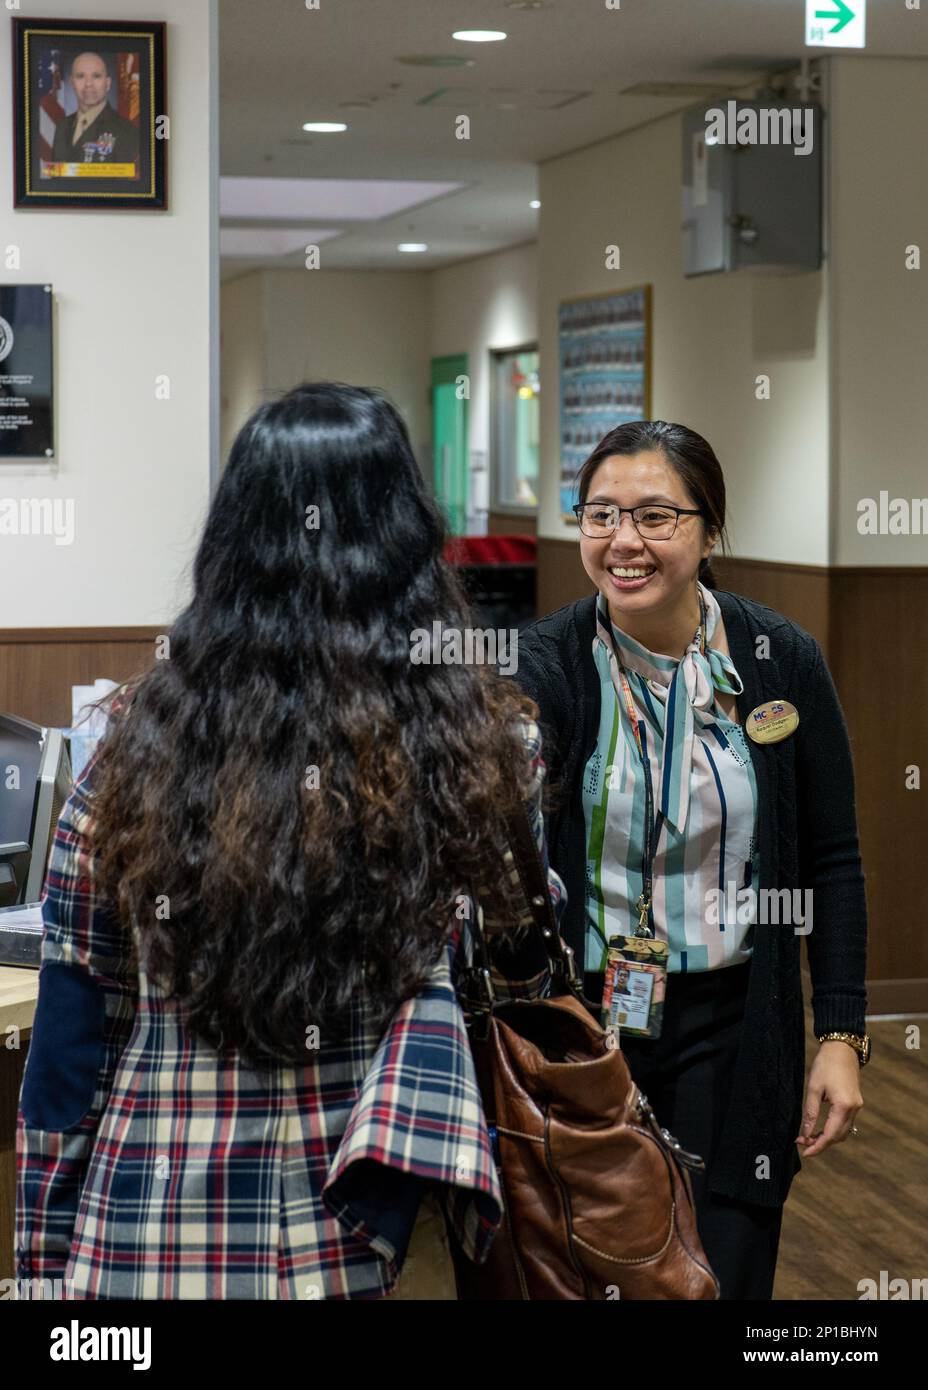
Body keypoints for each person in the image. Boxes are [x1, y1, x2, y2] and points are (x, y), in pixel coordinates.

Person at [15, 382, 564, 1300]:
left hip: (146, 1231)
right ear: (408, 540)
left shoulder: (133, 745)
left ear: (232, 540)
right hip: (368, 1229)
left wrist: (40, 1256)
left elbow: (75, 1025)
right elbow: (502, 968)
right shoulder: (486, 750)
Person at [506, 419, 869, 1301]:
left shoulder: (781, 661)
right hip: (583, 1028)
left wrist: (842, 1035)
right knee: (591, 1268)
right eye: (600, 515)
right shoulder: (542, 665)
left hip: (737, 1023)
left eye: (656, 516)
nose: (624, 541)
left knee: (726, 1268)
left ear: (710, 531)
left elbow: (833, 859)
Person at [51, 52, 139, 166]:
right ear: (72, 83)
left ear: (107, 84)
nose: (88, 83)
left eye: (96, 76)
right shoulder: (62, 126)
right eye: (80, 76)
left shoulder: (126, 131)